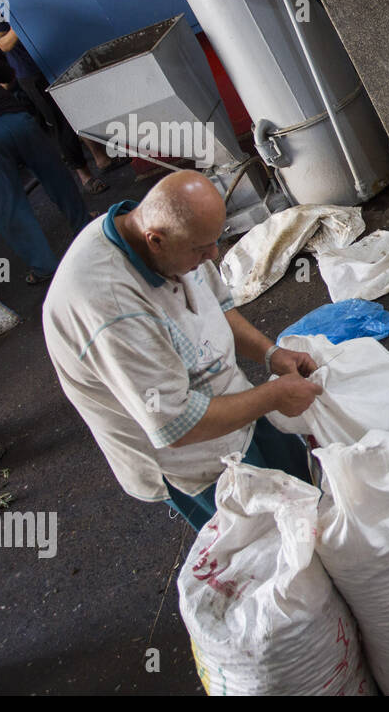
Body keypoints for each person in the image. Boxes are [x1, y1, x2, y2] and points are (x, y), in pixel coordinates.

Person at [42, 171, 323, 530]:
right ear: (155, 240)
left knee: (307, 497)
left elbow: (217, 309)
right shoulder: (110, 308)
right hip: (189, 456)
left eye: (215, 241)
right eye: (201, 249)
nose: (213, 254)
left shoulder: (171, 239)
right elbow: (175, 425)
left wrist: (272, 355)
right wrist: (273, 396)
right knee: (268, 539)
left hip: (231, 401)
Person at [0, 45, 89, 284]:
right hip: (17, 119)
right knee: (58, 179)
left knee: (7, 206)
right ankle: (87, 230)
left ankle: (44, 266)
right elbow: (7, 75)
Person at [0, 0, 115, 194]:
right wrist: (18, 25)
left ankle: (101, 157)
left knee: (79, 109)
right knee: (60, 122)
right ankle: (85, 175)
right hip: (30, 70)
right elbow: (3, 43)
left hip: (55, 56)